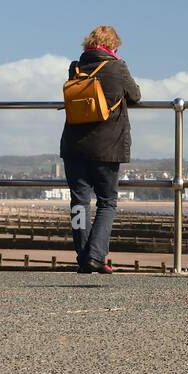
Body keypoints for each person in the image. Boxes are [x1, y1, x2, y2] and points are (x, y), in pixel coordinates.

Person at [60, 26, 142, 274]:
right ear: (113, 46)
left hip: (74, 146)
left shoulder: (75, 67)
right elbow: (135, 95)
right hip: (107, 147)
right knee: (107, 202)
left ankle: (83, 257)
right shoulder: (117, 67)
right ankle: (95, 256)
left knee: (79, 203)